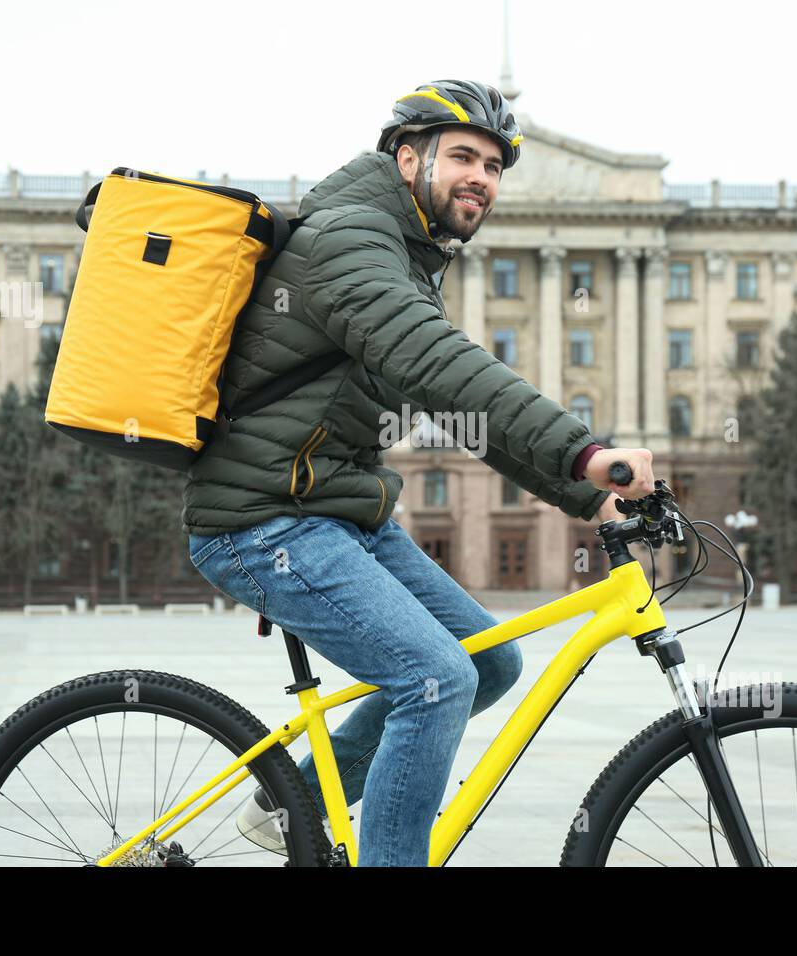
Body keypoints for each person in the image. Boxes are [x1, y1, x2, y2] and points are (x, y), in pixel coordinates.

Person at [183, 79, 656, 866]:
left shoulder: (406, 253)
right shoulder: (349, 239)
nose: (483, 178)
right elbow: (439, 365)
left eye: (496, 166)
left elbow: (460, 412)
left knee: (490, 658)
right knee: (433, 680)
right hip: (264, 522)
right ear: (407, 158)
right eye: (463, 156)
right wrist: (582, 448)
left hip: (334, 511)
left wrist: (587, 491)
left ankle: (289, 804)